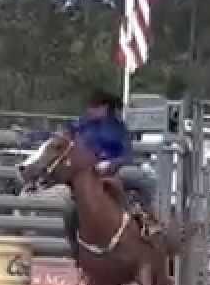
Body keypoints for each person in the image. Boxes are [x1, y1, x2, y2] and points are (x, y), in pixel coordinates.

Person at [62, 90, 157, 257]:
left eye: (94, 107)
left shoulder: (118, 128)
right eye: (90, 107)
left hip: (114, 172)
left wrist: (111, 164)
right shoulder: (81, 126)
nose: (90, 111)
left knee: (141, 180)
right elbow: (64, 140)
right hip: (88, 175)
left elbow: (127, 155)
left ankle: (148, 221)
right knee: (69, 209)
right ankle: (75, 249)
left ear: (104, 108)